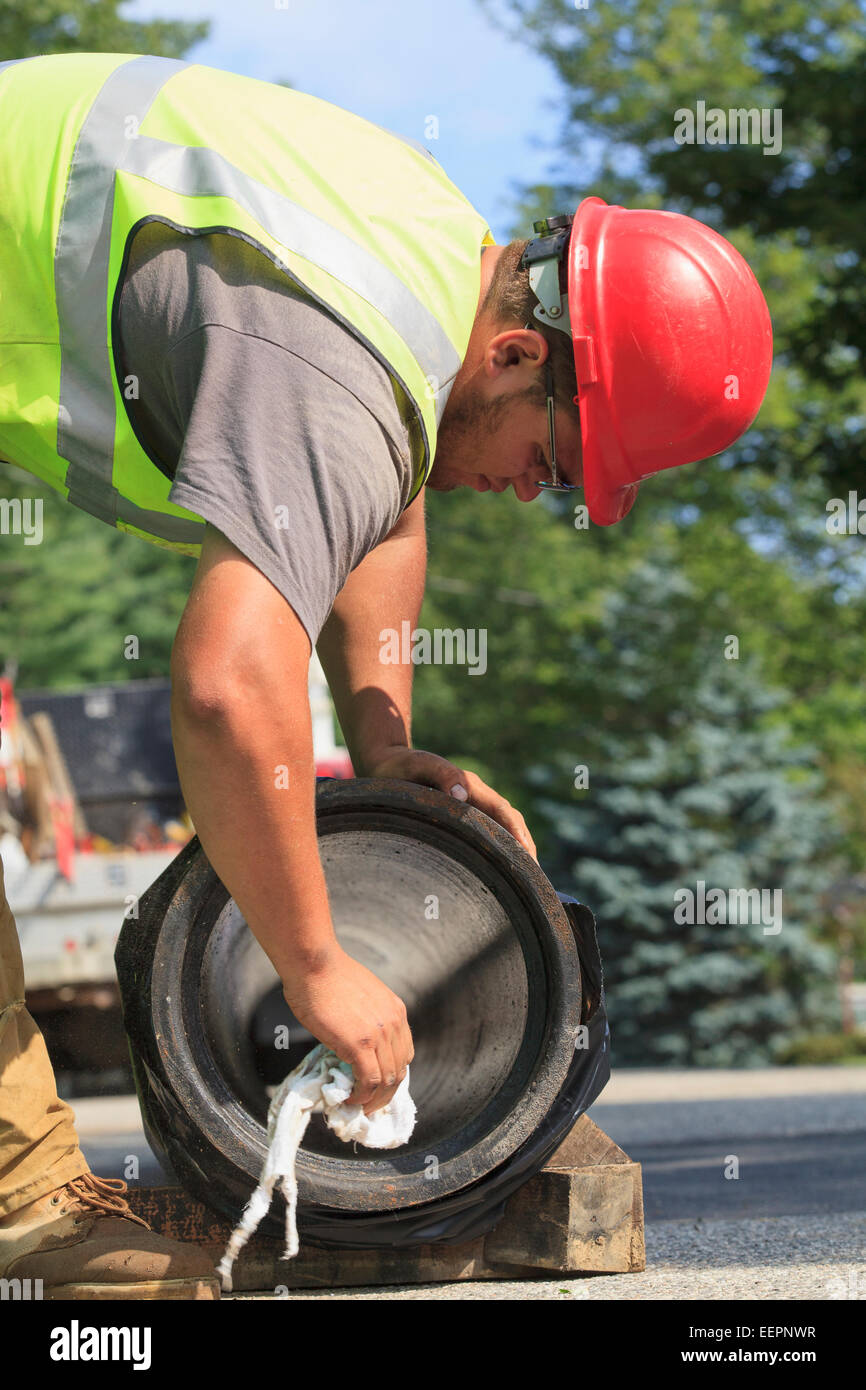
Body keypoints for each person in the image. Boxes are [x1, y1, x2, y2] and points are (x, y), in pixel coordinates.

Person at [0, 53, 772, 1299]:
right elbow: (221, 689)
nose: (535, 492)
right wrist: (316, 965)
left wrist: (379, 733)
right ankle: (26, 1209)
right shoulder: (343, 362)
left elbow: (388, 504)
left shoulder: (431, 260)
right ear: (520, 356)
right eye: (557, 463)